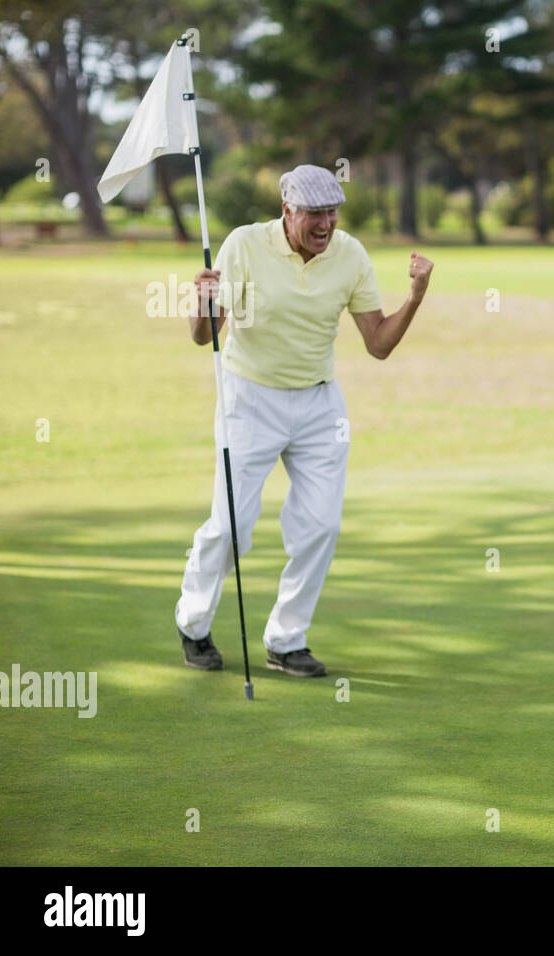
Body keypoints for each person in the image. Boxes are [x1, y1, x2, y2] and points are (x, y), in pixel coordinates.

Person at [175, 164, 433, 677]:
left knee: (320, 525)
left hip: (319, 407)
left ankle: (286, 639)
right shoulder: (244, 245)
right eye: (315, 213)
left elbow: (378, 344)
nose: (326, 224)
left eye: (333, 212)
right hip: (248, 398)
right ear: (288, 210)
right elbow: (205, 336)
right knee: (230, 528)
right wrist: (200, 300)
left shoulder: (350, 255)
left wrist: (416, 297)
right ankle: (194, 622)